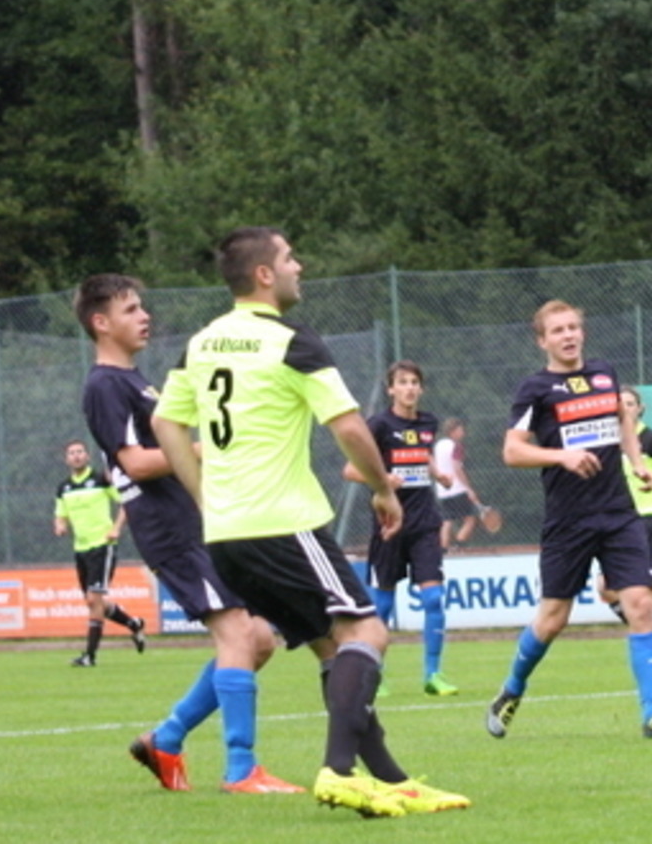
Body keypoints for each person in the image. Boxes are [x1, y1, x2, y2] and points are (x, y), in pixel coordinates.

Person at [152, 226, 470, 817]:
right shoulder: (291, 340)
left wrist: (203, 495)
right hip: (283, 522)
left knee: (334, 648)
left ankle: (391, 779)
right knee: (368, 634)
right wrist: (383, 490)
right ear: (265, 275)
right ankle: (339, 771)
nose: (300, 266)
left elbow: (166, 425)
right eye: (290, 257)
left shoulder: (202, 342)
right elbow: (350, 427)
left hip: (227, 534)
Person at [75, 272, 296, 794]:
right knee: (240, 634)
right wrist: (206, 448)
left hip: (198, 522)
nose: (144, 316)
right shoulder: (104, 384)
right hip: (169, 531)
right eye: (130, 310)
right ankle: (241, 768)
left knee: (258, 639)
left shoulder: (137, 381)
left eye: (142, 306)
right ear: (101, 323)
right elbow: (133, 463)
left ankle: (167, 738)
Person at [485, 301, 652, 741]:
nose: (569, 335)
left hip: (618, 513)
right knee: (553, 618)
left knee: (641, 604)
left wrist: (635, 461)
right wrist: (561, 455)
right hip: (569, 520)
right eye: (558, 330)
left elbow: (622, 419)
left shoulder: (604, 374)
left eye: (574, 327)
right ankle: (511, 690)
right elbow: (512, 450)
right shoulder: (535, 389)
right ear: (542, 340)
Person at [342, 361, 456, 696]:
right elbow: (350, 470)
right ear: (391, 389)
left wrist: (437, 473)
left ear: (421, 388)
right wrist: (381, 479)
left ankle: (433, 674)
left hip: (424, 522)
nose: (409, 388)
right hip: (389, 525)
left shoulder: (428, 423)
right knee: (383, 606)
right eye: (402, 382)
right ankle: (373, 676)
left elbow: (420, 452)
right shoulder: (377, 424)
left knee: (433, 598)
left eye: (414, 382)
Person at [54, 438, 145, 666]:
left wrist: (116, 528)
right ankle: (133, 624)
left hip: (102, 547)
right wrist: (60, 524)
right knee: (93, 601)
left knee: (95, 599)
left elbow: (126, 501)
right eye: (71, 453)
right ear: (66, 460)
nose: (76, 456)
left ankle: (90, 656)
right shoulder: (63, 487)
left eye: (80, 452)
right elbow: (60, 513)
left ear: (87, 456)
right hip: (81, 549)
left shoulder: (101, 479)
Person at [601, 386, 652, 641]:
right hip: (620, 521)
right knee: (605, 587)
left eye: (631, 403)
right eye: (620, 404)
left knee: (649, 586)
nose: (625, 408)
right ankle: (647, 631)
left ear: (640, 408)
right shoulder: (608, 443)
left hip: (649, 519)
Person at [433, 417, 486, 549]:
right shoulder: (456, 446)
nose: (463, 432)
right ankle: (459, 546)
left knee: (447, 521)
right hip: (457, 489)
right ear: (453, 431)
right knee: (471, 518)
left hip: (442, 491)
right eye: (461, 429)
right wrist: (468, 488)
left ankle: (443, 550)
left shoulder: (438, 445)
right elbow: (457, 468)